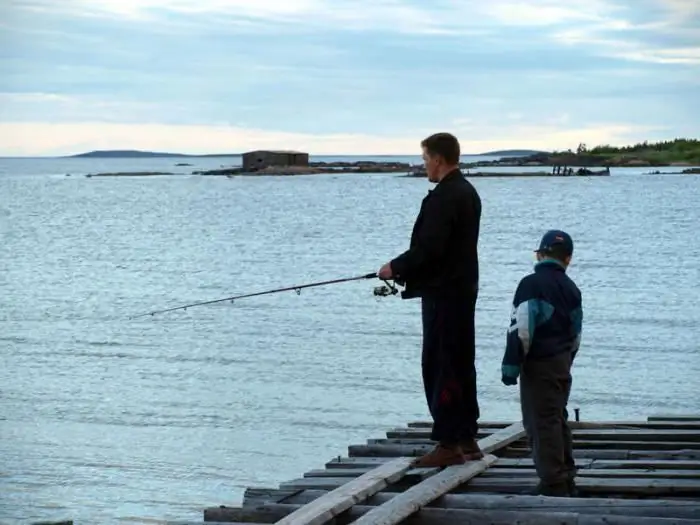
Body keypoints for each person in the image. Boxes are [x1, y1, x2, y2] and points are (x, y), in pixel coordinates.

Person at [378, 132, 483, 468]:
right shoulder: (468, 192)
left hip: (443, 293)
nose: (423, 164)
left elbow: (430, 250)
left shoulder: (444, 197)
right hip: (463, 291)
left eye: (425, 158)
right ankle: (467, 436)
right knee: (461, 362)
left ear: (438, 158)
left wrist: (394, 267)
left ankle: (449, 442)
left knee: (440, 364)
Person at [500, 230, 583, 496]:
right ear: (568, 258)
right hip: (561, 363)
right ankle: (566, 475)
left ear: (540, 254)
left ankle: (552, 482)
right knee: (558, 418)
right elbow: (576, 332)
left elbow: (522, 328)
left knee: (540, 422)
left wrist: (511, 366)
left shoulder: (530, 284)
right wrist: (567, 360)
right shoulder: (572, 289)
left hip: (538, 364)